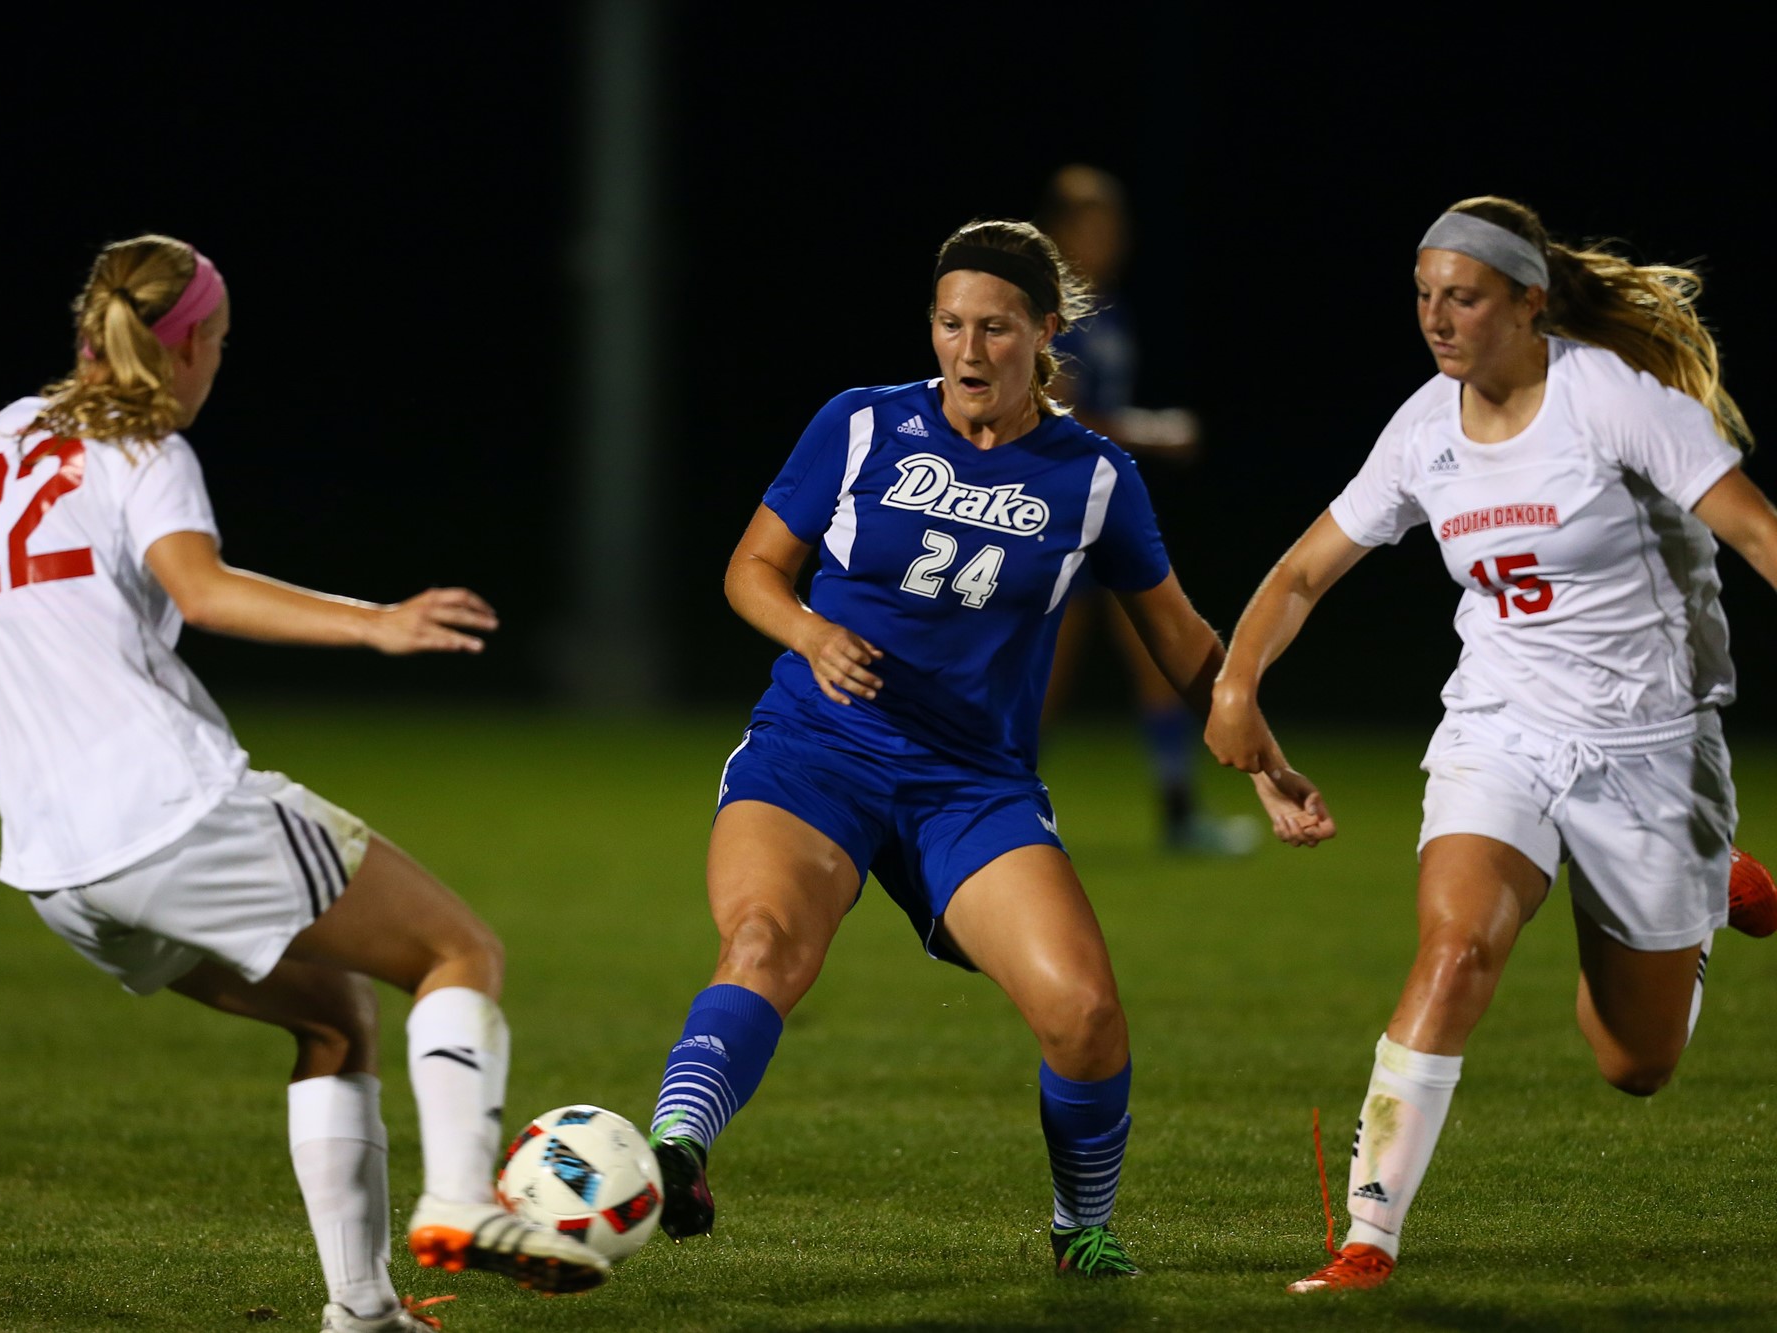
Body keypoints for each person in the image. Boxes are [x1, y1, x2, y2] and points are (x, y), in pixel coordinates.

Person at [0, 235, 610, 1332]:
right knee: (459, 952)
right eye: (219, 341)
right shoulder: (145, 446)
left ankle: (362, 1311)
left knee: (335, 1018)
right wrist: (375, 623)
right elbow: (202, 592)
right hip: (172, 812)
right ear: (187, 346)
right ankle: (460, 1198)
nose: (217, 361)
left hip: (57, 871)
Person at [640, 219, 1328, 1277]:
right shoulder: (860, 423)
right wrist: (811, 633)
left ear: (1044, 331)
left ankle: (1080, 1228)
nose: (968, 350)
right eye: (950, 324)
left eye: (995, 327)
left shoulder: (1092, 476)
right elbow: (750, 570)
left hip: (969, 784)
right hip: (815, 752)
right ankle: (674, 1149)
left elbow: (1183, 639)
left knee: (1084, 1014)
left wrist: (1265, 759)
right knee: (765, 943)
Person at [1203, 197, 1777, 1294]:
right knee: (1455, 946)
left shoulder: (1614, 398)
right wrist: (1238, 682)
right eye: (1422, 295)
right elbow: (1304, 571)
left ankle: (1704, 888)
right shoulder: (1425, 425)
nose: (1435, 318)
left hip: (1652, 750)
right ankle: (1368, 1238)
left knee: (1635, 1063)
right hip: (1500, 729)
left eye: (1461, 297)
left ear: (1527, 302)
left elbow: (1753, 528)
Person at [1036, 164, 1256, 856]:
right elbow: (1059, 414)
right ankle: (995, 805)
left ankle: (1181, 812)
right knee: (1042, 678)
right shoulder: (1046, 312)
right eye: (1094, 226)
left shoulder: (1110, 309)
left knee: (1161, 656)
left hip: (1104, 509)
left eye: (1115, 226)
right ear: (1058, 232)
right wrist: (1155, 431)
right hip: (1051, 513)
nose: (1110, 240)